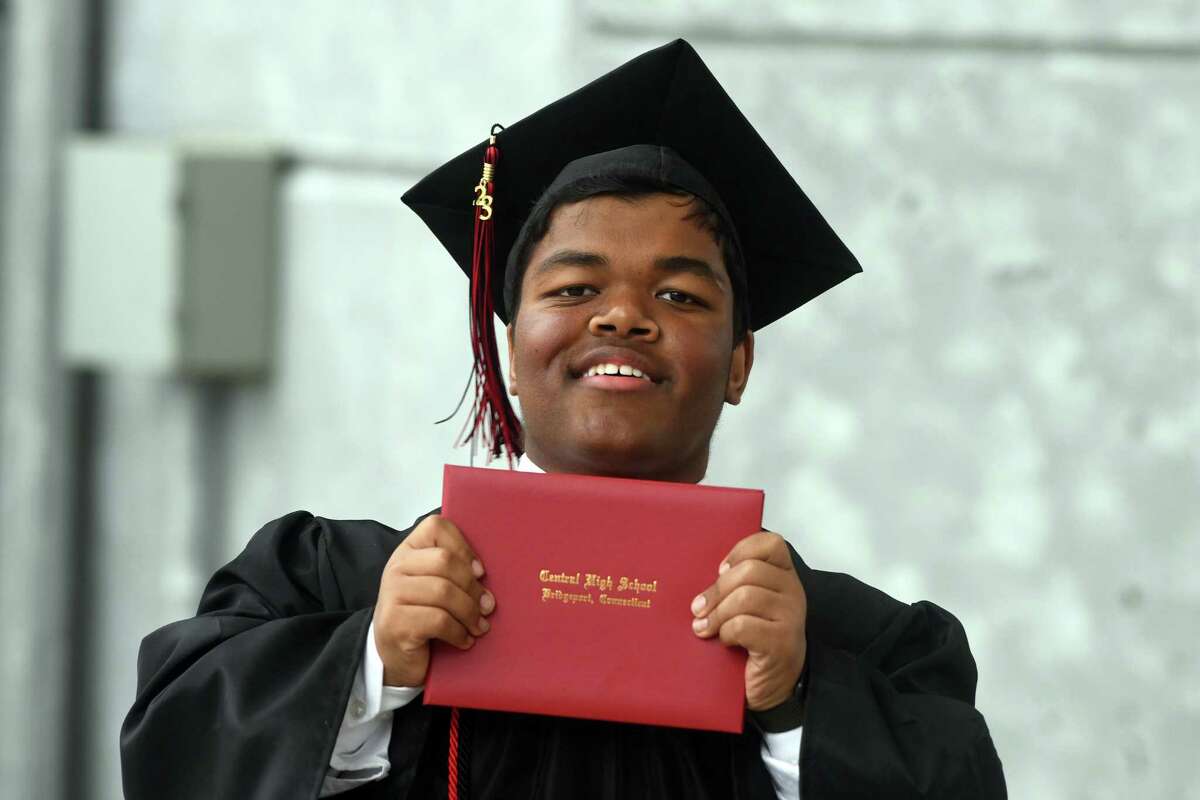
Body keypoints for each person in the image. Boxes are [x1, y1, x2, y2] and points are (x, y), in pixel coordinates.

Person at [121, 40, 1006, 799]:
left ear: (739, 363)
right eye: (575, 288)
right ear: (513, 350)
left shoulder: (863, 651)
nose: (621, 317)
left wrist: (799, 706)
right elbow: (172, 756)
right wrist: (369, 669)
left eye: (678, 293)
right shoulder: (323, 590)